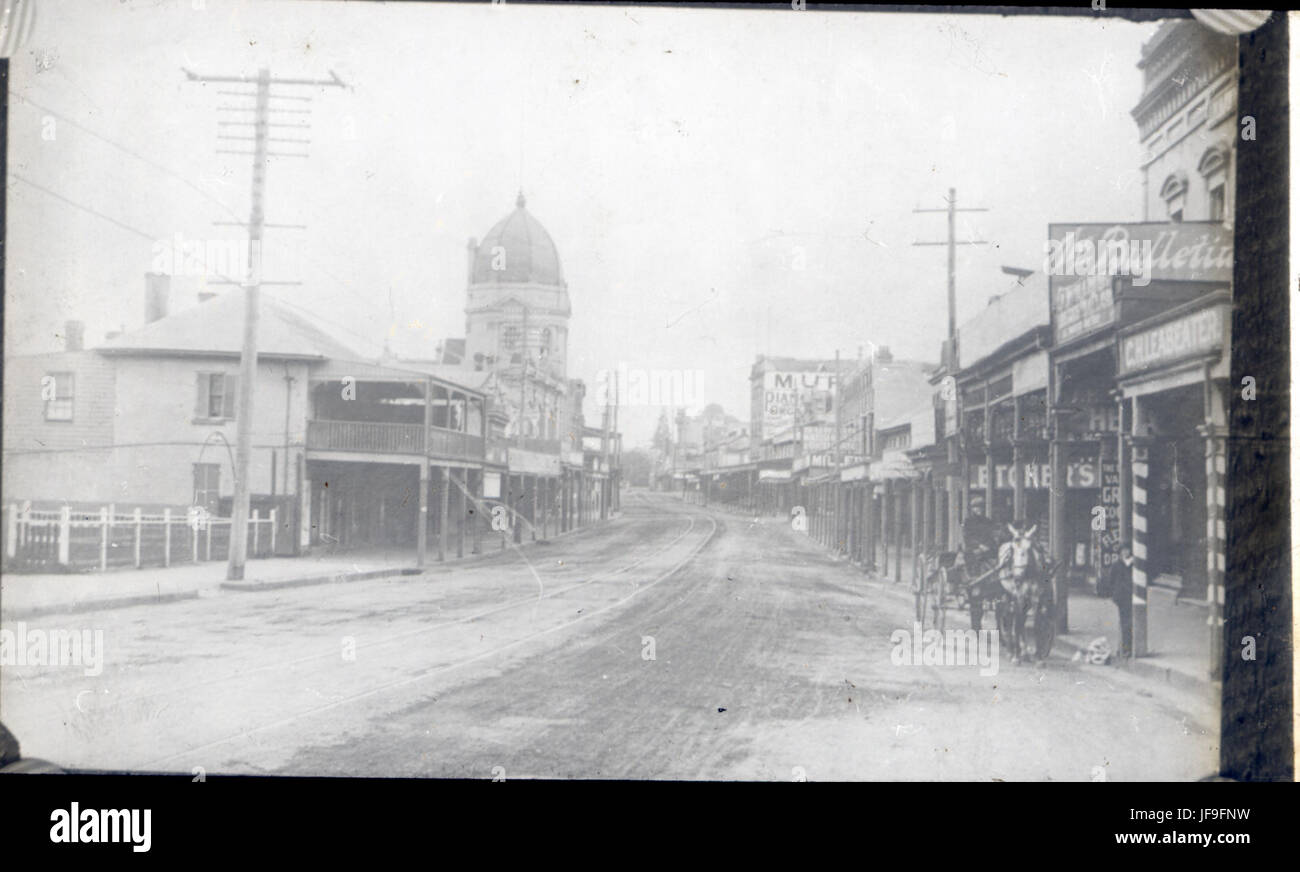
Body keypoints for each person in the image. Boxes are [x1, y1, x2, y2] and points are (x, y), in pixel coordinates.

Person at [1107, 543, 1135, 658]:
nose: (1125, 553)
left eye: (1127, 550)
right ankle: (1126, 648)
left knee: (1128, 622)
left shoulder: (1134, 564)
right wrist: (1113, 594)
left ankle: (1127, 647)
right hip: (1122, 598)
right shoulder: (1116, 565)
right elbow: (1111, 580)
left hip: (1132, 596)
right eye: (1123, 551)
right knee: (1125, 622)